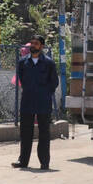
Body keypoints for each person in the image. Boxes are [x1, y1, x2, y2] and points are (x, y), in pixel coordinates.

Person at [12, 35, 58, 171]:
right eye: (31, 43)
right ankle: (23, 161)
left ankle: (44, 163)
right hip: (27, 101)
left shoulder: (49, 63)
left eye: (36, 44)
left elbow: (54, 82)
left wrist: (44, 94)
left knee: (44, 133)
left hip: (43, 103)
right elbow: (21, 79)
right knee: (25, 133)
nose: (33, 46)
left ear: (42, 46)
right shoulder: (23, 62)